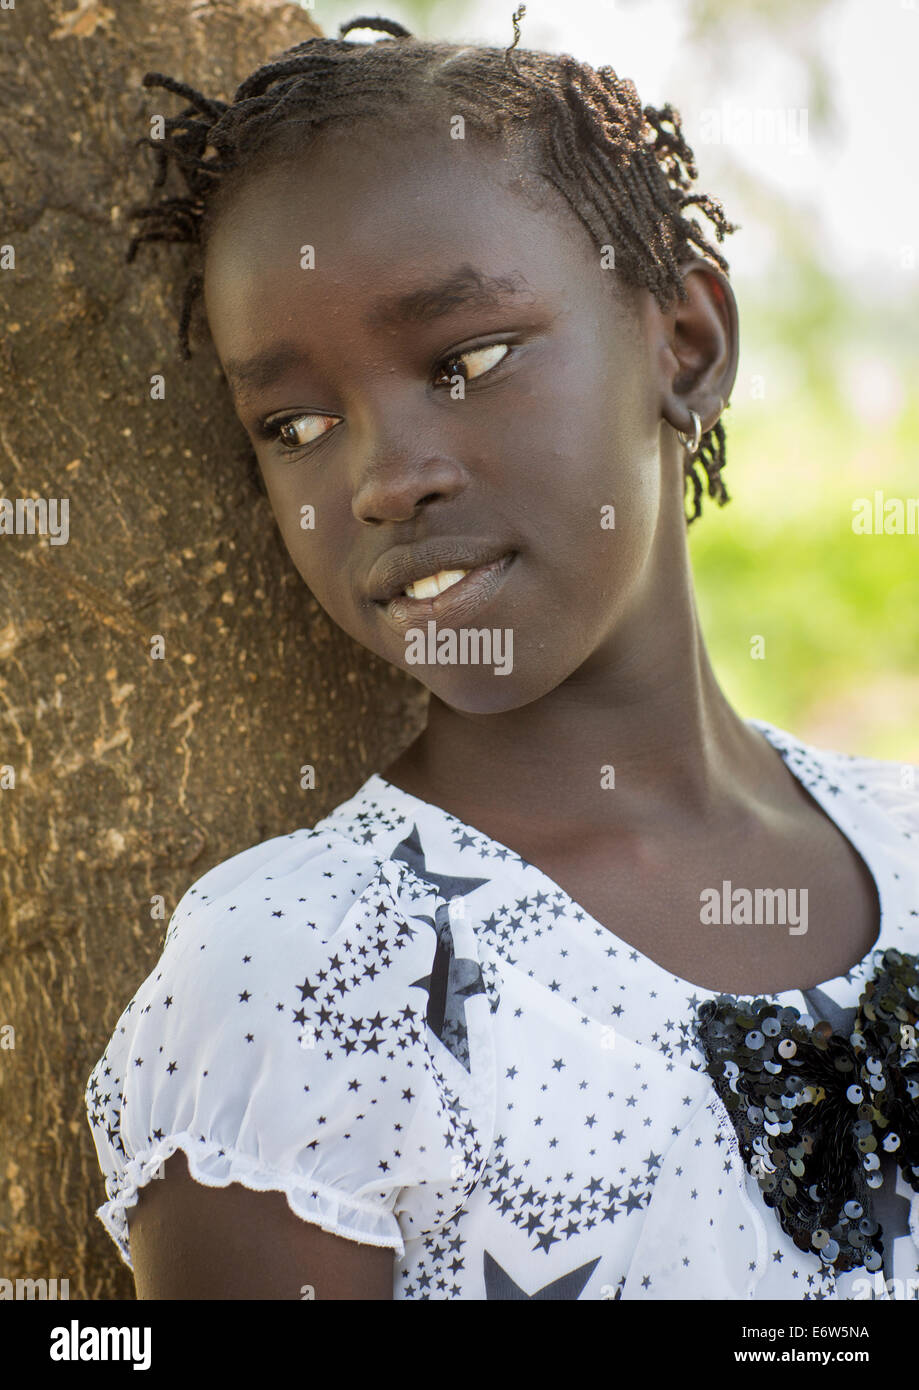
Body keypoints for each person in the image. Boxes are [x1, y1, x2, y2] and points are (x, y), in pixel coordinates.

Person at [84, 12, 919, 1300]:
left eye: (467, 359)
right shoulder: (300, 976)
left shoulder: (907, 839)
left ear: (685, 345)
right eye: (295, 421)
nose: (385, 481)